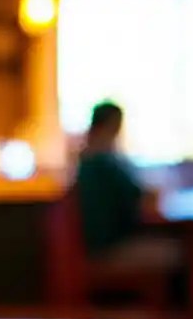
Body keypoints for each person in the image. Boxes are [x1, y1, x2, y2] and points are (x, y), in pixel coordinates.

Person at [74, 102, 179, 301]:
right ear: (113, 124)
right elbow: (138, 200)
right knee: (182, 253)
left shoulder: (89, 158)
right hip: (108, 249)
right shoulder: (103, 161)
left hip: (100, 245)